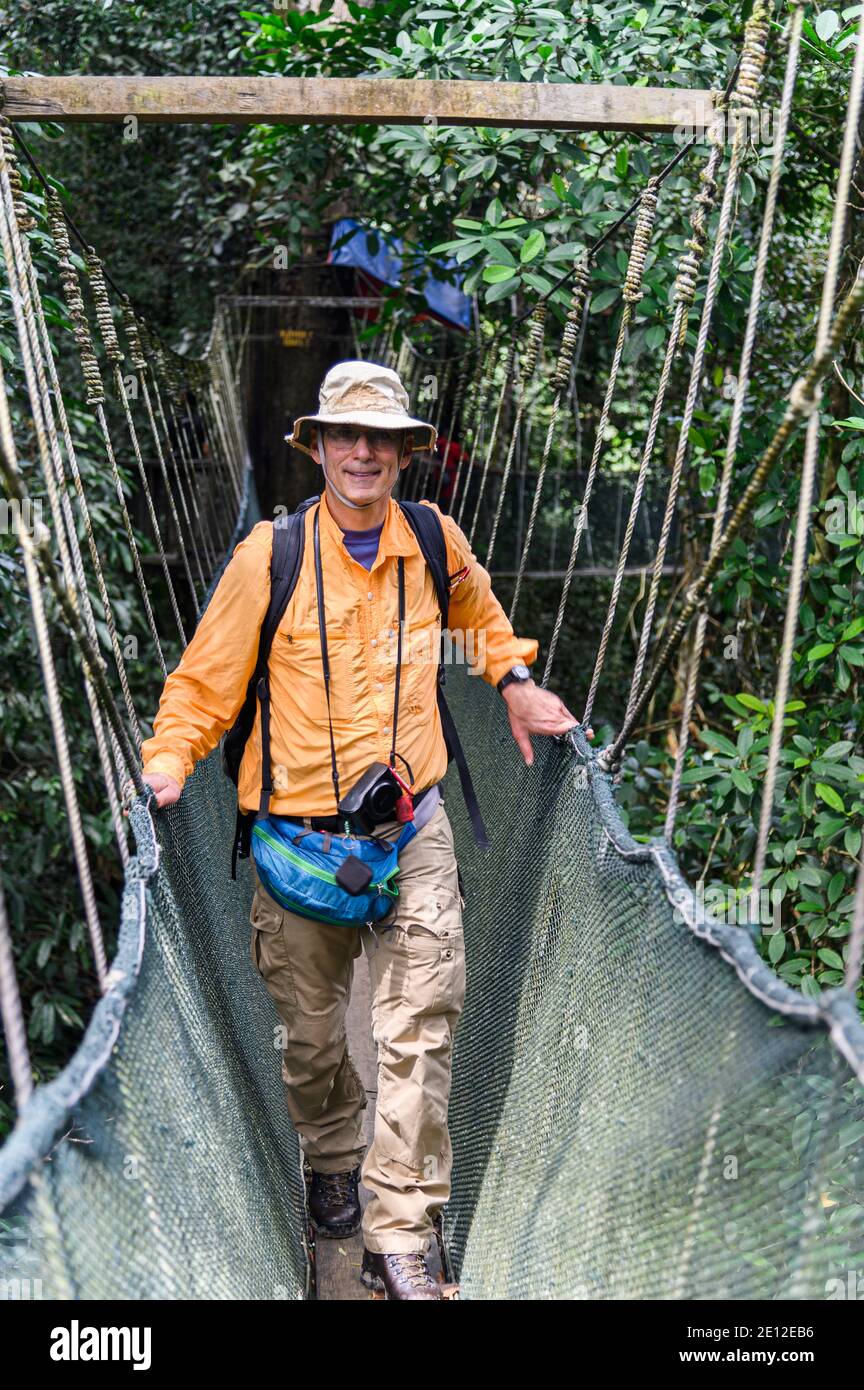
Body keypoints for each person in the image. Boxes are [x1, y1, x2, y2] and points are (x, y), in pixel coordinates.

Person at [140, 360, 587, 1300]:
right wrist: (171, 762)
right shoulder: (269, 557)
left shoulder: (431, 538)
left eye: (381, 437)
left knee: (420, 1023)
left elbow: (478, 615)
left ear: (403, 453)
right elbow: (205, 683)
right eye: (345, 435)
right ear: (317, 448)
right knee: (312, 1040)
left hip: (412, 826)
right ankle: (333, 1154)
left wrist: (513, 682)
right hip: (297, 842)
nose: (362, 452)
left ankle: (400, 1234)